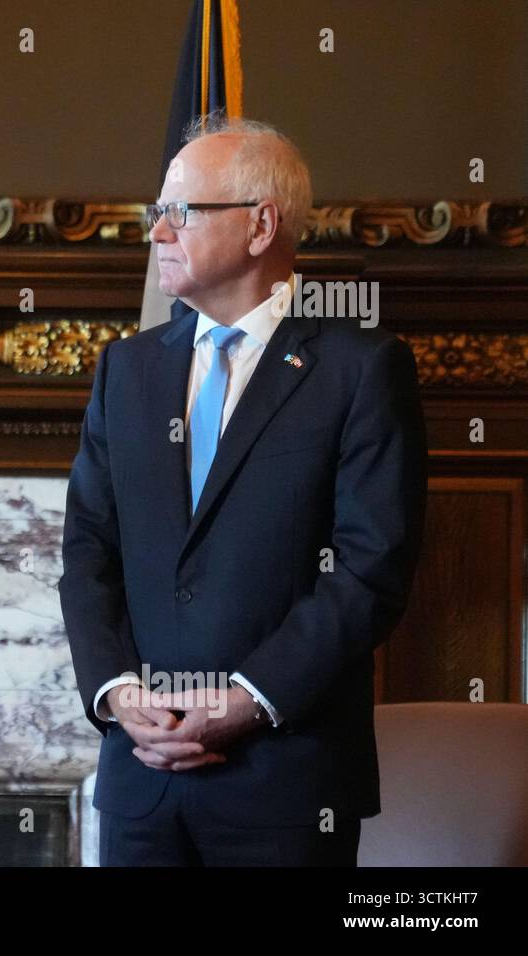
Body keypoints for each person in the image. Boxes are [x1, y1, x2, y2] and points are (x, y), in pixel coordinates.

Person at [60, 116, 427, 866]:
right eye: (154, 214)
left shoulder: (361, 370)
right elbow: (87, 550)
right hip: (142, 782)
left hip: (286, 785)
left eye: (180, 212)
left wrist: (247, 699)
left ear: (261, 225)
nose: (157, 233)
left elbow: (371, 569)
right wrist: (117, 694)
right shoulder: (126, 372)